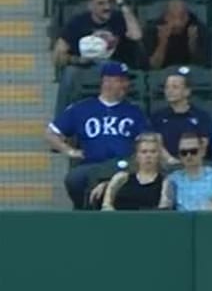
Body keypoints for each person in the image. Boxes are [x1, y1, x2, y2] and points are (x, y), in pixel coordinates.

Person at [46, 61, 148, 209]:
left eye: (125, 81)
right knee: (74, 179)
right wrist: (70, 151)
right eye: (121, 81)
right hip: (92, 165)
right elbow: (51, 134)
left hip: (123, 165)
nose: (126, 85)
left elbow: (146, 138)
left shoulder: (134, 111)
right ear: (107, 82)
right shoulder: (82, 108)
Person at [94, 133, 173, 209]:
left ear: (159, 155)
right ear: (137, 155)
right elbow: (107, 206)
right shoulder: (121, 178)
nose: (148, 156)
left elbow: (164, 209)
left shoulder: (165, 182)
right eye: (144, 152)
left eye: (153, 152)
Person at [150, 72, 212, 163]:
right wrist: (171, 160)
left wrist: (189, 160)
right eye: (167, 87)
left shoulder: (201, 116)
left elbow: (204, 144)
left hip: (193, 163)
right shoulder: (157, 116)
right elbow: (156, 143)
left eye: (175, 87)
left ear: (187, 91)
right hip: (166, 165)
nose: (169, 91)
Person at [167, 131, 212, 211]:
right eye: (184, 153)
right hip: (181, 218)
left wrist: (205, 214)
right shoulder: (172, 179)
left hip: (211, 215)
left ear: (202, 152)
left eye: (193, 151)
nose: (188, 156)